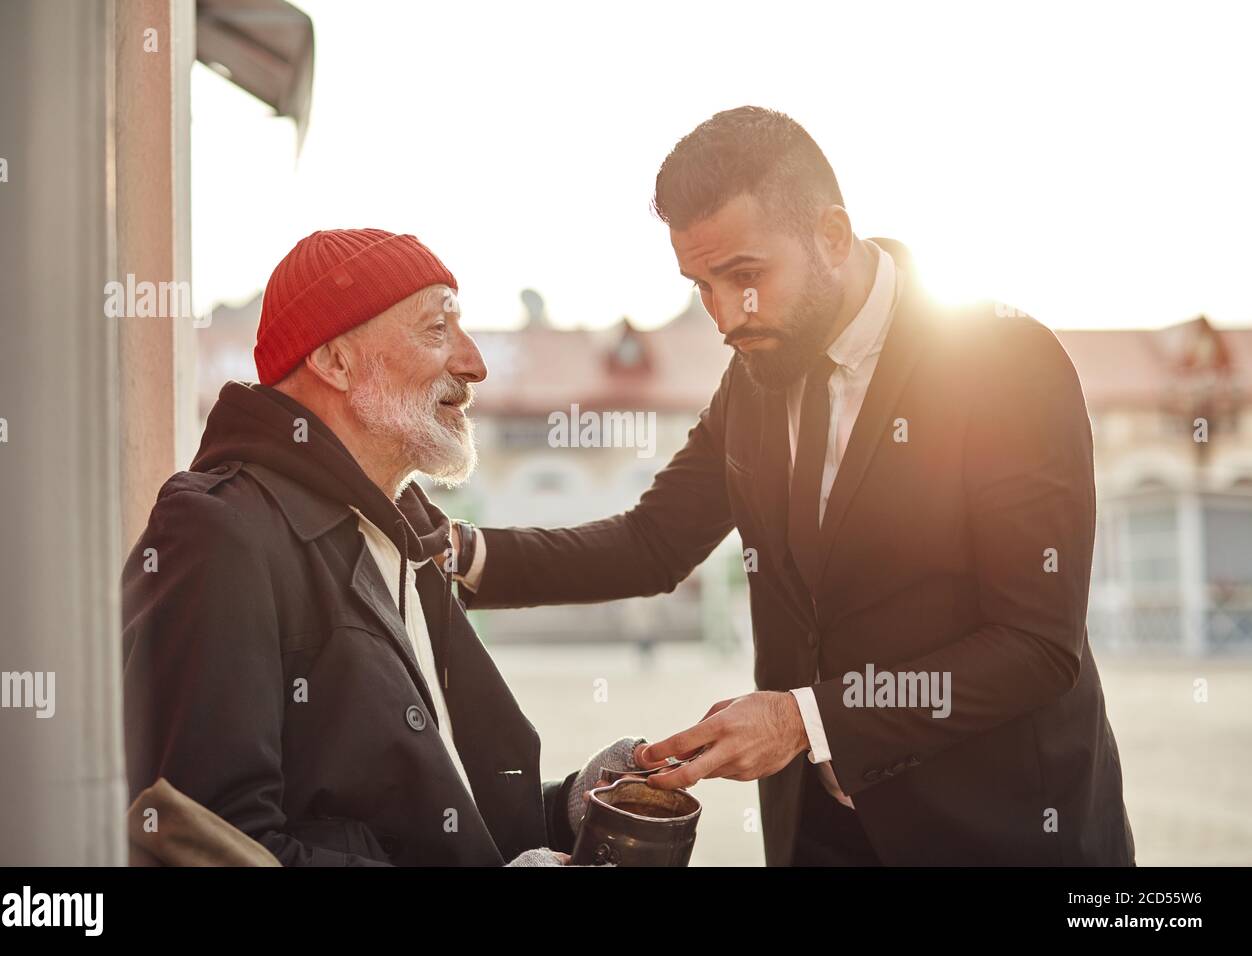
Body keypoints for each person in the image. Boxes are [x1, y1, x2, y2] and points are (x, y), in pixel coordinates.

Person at [450, 107, 1136, 866]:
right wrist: (458, 554)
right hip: (816, 834)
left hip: (997, 832)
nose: (724, 317)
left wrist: (802, 722)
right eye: (700, 284)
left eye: (745, 276)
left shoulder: (1003, 360)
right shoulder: (755, 375)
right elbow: (652, 543)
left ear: (832, 237)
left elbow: (1037, 645)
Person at [122, 228, 640, 866]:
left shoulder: (405, 539)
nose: (475, 363)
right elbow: (210, 845)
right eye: (436, 331)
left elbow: (439, 821)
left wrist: (572, 810)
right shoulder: (218, 533)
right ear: (335, 361)